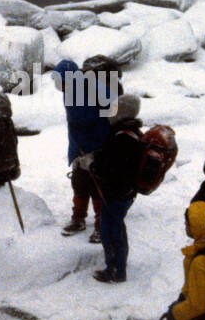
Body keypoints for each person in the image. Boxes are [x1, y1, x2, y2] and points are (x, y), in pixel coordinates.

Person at [55, 57, 121, 242]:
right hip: (78, 146)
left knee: (97, 185)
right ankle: (78, 218)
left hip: (97, 146)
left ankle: (101, 223)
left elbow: (114, 105)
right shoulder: (69, 90)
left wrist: (96, 130)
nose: (57, 84)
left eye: (59, 80)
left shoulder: (91, 87)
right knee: (79, 182)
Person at [87, 93, 143, 283]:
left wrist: (92, 166)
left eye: (114, 109)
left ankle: (116, 271)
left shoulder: (123, 137)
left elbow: (114, 168)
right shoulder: (129, 133)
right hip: (123, 191)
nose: (110, 113)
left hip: (116, 193)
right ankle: (117, 267)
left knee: (111, 231)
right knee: (115, 228)